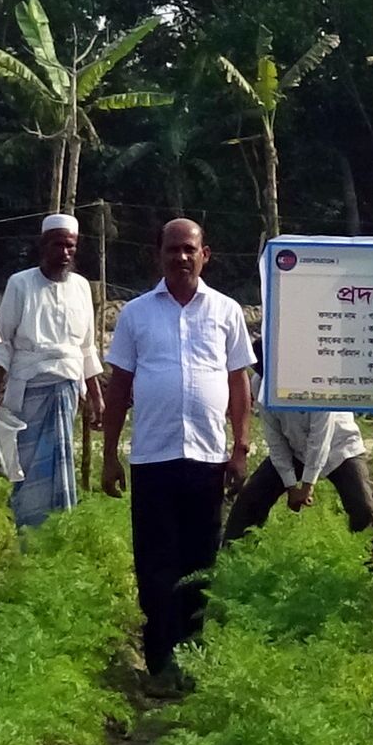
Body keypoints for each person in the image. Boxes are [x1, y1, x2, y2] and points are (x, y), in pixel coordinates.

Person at [96, 216, 256, 689]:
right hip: (152, 459)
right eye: (173, 249)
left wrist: (241, 447)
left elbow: (239, 385)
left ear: (205, 255)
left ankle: (193, 660)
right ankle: (160, 664)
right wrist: (109, 455)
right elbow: (119, 387)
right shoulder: (137, 315)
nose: (181, 257)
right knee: (155, 566)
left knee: (200, 565)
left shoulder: (226, 312)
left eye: (190, 249)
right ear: (158, 255)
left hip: (208, 459)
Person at [0, 211, 101, 531]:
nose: (64, 252)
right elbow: (2, 343)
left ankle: (58, 539)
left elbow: (87, 348)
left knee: (60, 470)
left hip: (66, 389)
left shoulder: (82, 287)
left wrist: (96, 398)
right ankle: (28, 538)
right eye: (58, 245)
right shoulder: (20, 283)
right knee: (29, 474)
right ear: (43, 245)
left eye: (70, 246)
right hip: (28, 390)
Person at [226, 401, 373, 544]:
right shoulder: (261, 382)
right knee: (250, 500)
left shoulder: (316, 380)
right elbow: (275, 439)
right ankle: (233, 557)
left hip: (340, 447)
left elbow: (320, 439)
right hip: (294, 448)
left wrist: (307, 486)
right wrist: (291, 485)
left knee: (363, 508)